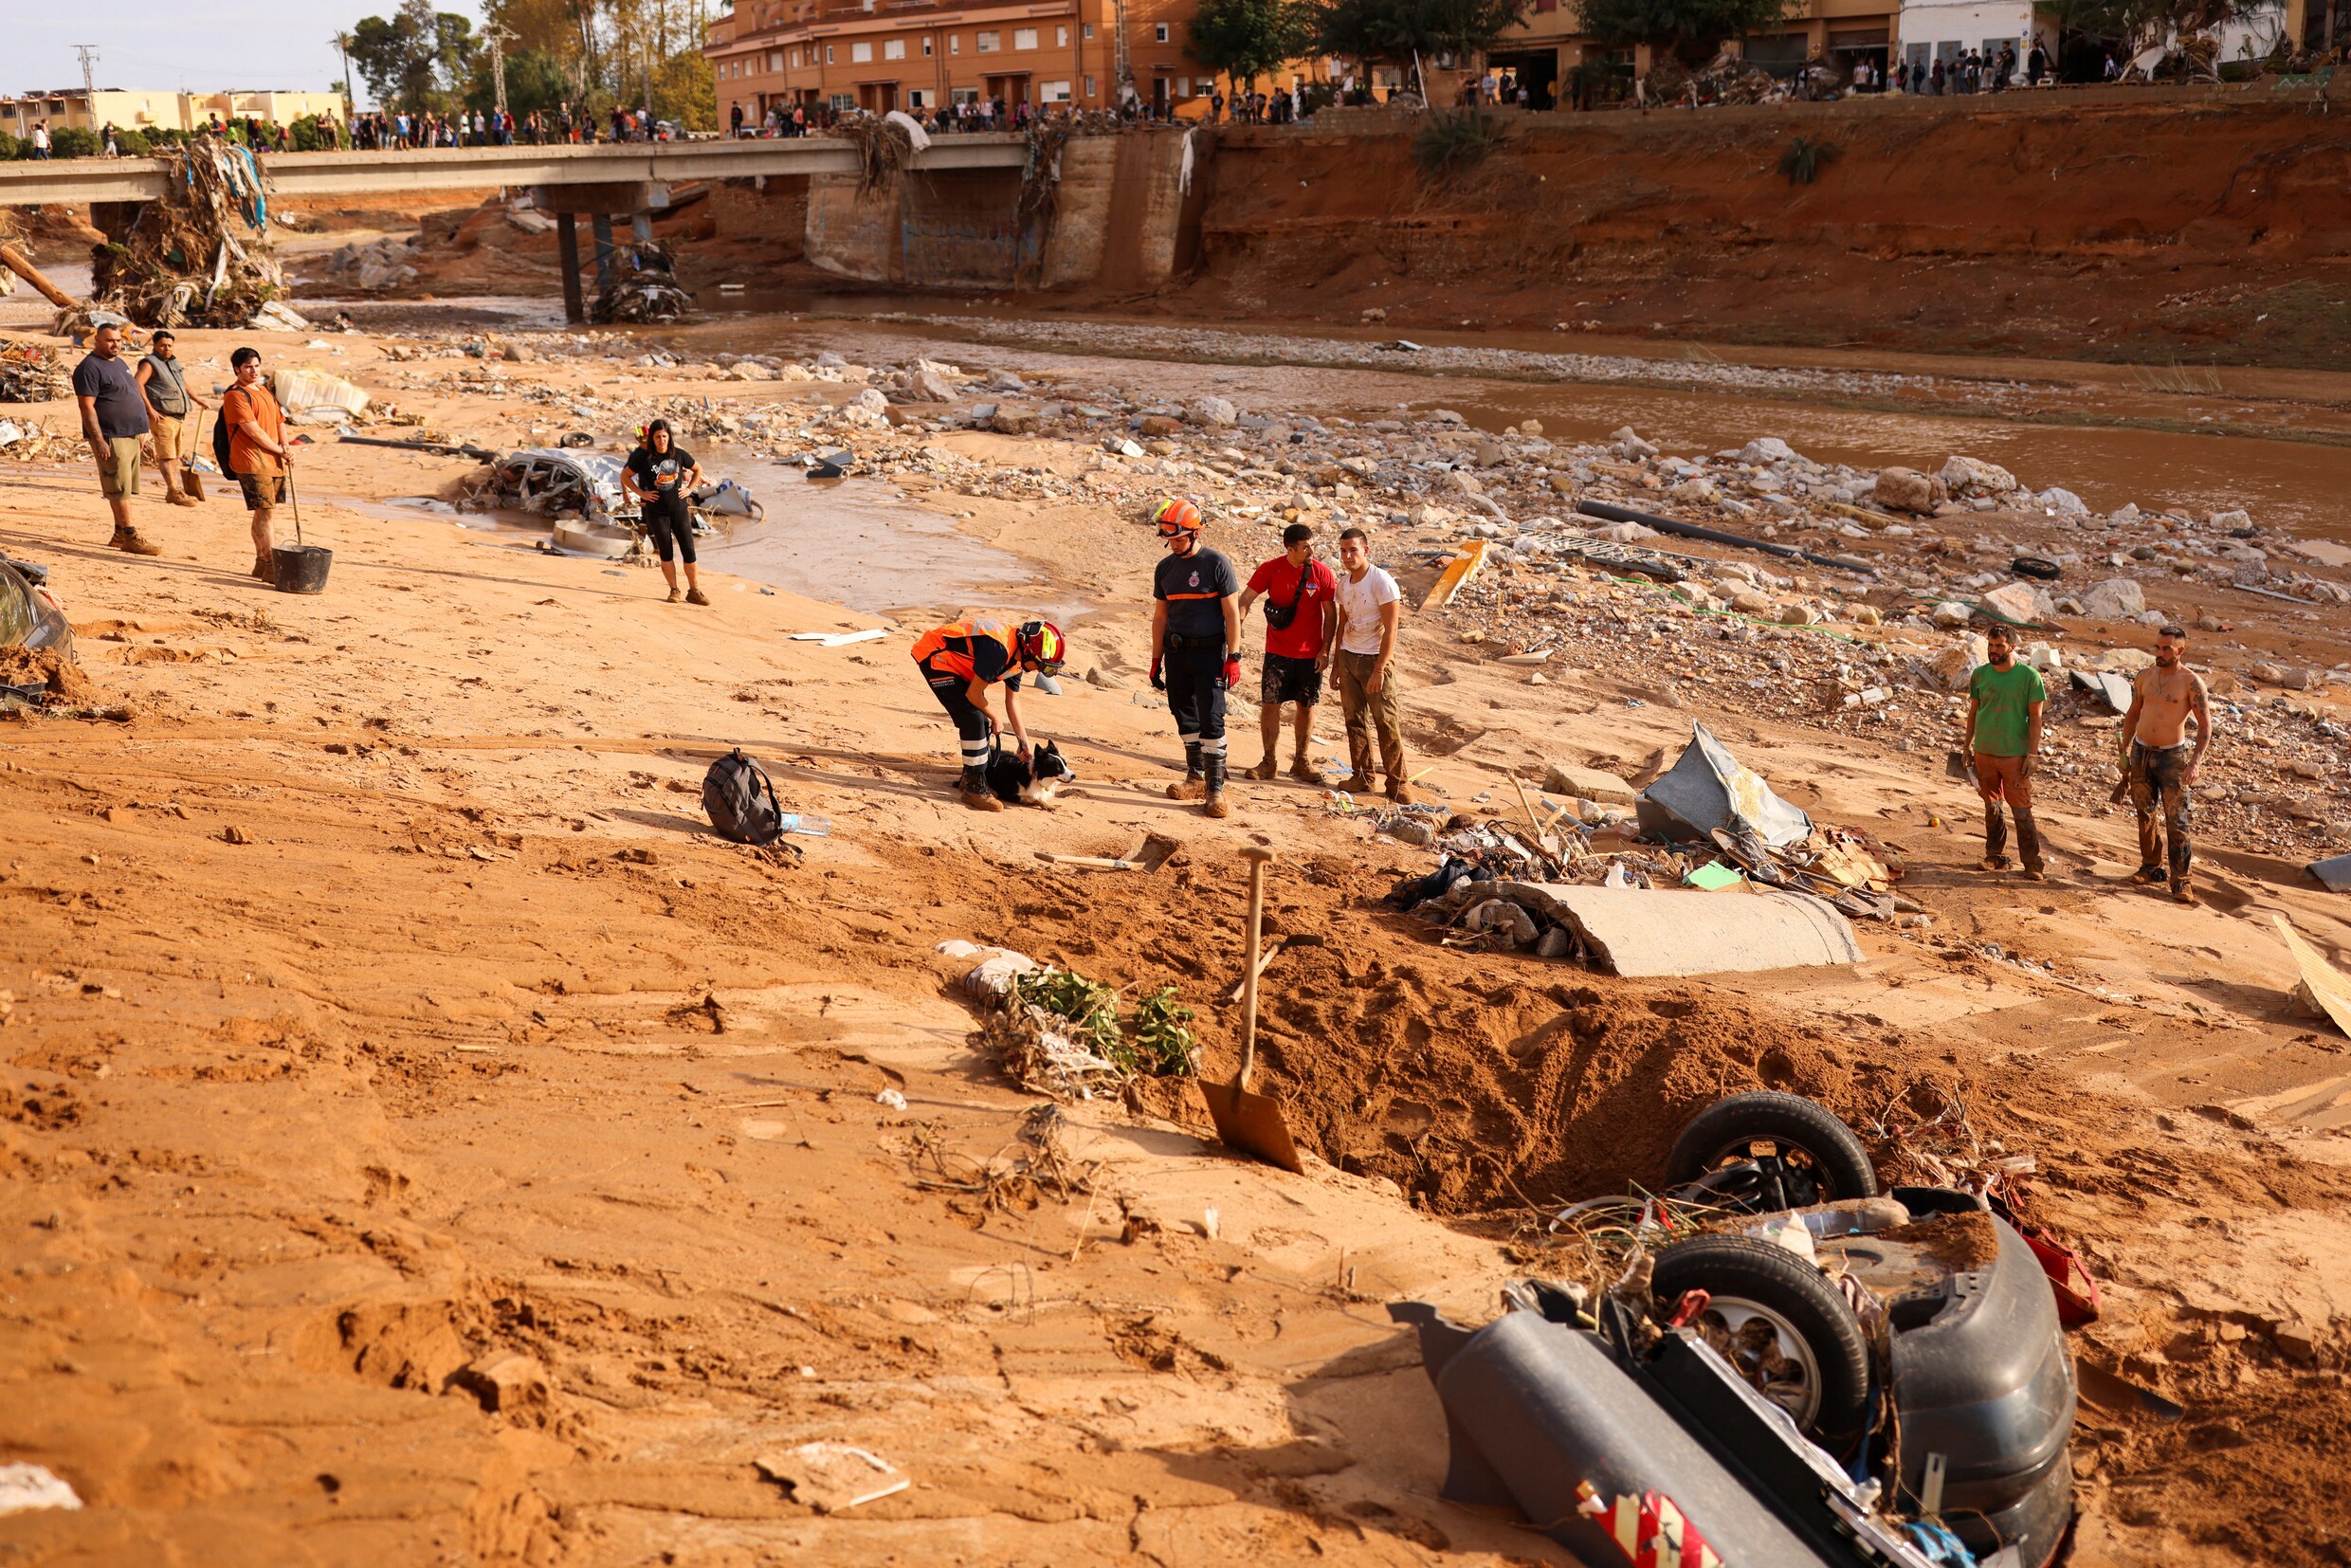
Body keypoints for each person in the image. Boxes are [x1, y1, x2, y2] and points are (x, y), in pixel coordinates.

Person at [1147, 497, 1242, 818]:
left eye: (1178, 538)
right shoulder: (1165, 568)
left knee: (1211, 716)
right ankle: (1196, 777)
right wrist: (1155, 658)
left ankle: (1216, 791)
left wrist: (1234, 656)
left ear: (1194, 534)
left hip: (1209, 653)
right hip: (1176, 652)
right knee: (1183, 713)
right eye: (1169, 539)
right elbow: (1160, 617)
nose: (1172, 544)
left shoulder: (1217, 564)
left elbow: (1232, 615)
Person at [910, 617, 1064, 811]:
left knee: (979, 719)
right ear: (1028, 652)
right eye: (1041, 666)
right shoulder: (999, 651)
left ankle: (970, 777)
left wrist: (1022, 742)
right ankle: (975, 789)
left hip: (957, 666)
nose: (1038, 671)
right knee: (974, 719)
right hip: (935, 657)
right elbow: (973, 694)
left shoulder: (1018, 659)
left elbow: (1012, 701)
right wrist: (996, 717)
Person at [1237, 522, 1339, 783]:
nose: (1311, 551)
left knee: (1306, 706)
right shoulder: (1271, 569)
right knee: (1271, 705)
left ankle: (1301, 761)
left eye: (1312, 545)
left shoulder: (1322, 573)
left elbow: (1331, 614)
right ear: (1290, 549)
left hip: (1310, 655)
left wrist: (1325, 650)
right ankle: (1269, 762)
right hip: (1277, 653)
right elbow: (1245, 599)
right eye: (1306, 547)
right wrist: (1237, 626)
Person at [2121, 625, 2213, 904]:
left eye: (2166, 649)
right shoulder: (2145, 676)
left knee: (2177, 819)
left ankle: (2182, 881)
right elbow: (2133, 714)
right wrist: (2124, 750)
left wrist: (2195, 762)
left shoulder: (2191, 682)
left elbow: (2205, 726)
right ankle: (2151, 867)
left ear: (2180, 650)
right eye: (2157, 647)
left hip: (2173, 758)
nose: (2159, 653)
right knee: (2144, 814)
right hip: (2141, 753)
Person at [1332, 526, 1412, 803]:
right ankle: (1362, 776)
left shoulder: (1382, 581)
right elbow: (1342, 623)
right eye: (1343, 551)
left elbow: (1391, 630)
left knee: (1386, 721)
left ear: (1366, 550)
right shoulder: (1343, 584)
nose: (1347, 556)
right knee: (1354, 720)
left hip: (1375, 659)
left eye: (1353, 550)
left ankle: (1398, 783)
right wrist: (1336, 664)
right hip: (1349, 657)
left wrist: (1379, 668)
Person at [1962, 626, 2047, 880]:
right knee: (1992, 806)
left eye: (1999, 646)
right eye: (1990, 645)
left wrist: (2033, 754)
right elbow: (1974, 712)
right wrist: (1967, 745)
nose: (1993, 651)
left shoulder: (2030, 677)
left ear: (2012, 646)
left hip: (2014, 756)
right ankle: (1995, 857)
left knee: (2021, 810)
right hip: (1985, 752)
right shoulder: (1980, 674)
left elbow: (2036, 718)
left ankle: (2032, 864)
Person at [73, 322, 161, 556]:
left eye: (119, 340)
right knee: (118, 487)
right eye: (110, 340)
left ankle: (119, 532)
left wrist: (141, 430)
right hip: (111, 435)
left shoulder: (120, 363)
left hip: (130, 434)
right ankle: (130, 535)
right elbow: (86, 407)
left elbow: (129, 394)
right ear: (97, 340)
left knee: (125, 487)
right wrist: (99, 439)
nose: (116, 344)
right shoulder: (89, 368)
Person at [221, 346, 292, 582]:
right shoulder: (235, 395)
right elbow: (253, 431)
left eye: (256, 365)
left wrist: (286, 446)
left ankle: (261, 562)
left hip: (273, 460)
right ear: (237, 369)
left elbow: (279, 420)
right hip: (251, 460)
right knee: (266, 512)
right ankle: (271, 563)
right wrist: (279, 450)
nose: (253, 370)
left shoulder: (264, 391)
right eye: (248, 366)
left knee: (264, 512)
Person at [622, 420, 708, 605]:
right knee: (666, 553)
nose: (661, 440)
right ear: (652, 439)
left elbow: (698, 469)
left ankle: (694, 590)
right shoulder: (644, 458)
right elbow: (625, 475)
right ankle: (674, 590)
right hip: (657, 513)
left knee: (689, 552)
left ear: (669, 437)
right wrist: (641, 493)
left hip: (680, 511)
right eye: (657, 437)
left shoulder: (679, 455)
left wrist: (689, 489)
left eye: (664, 436)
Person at [135, 329, 208, 507]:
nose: (166, 349)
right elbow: (137, 383)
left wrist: (197, 399)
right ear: (155, 346)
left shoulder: (173, 363)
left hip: (177, 417)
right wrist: (149, 408)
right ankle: (173, 490)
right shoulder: (150, 363)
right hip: (162, 416)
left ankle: (174, 489)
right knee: (167, 456)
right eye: (163, 345)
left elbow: (182, 383)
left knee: (175, 456)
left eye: (169, 345)